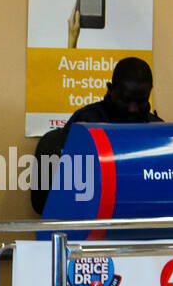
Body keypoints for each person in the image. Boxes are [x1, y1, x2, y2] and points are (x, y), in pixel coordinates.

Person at [30, 57, 161, 215]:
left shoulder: (158, 131)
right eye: (126, 100)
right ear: (110, 89)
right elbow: (51, 199)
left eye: (141, 101)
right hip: (87, 223)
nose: (133, 109)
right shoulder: (84, 125)